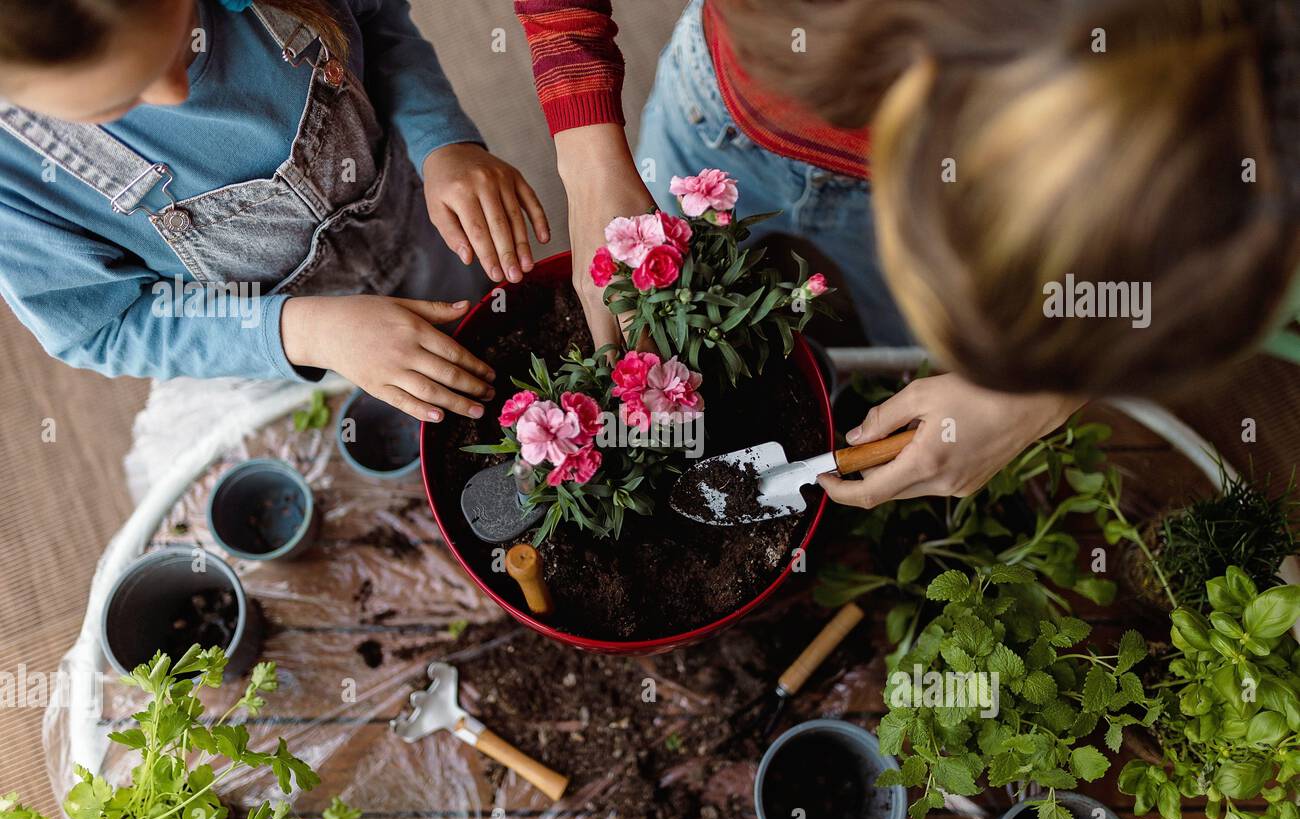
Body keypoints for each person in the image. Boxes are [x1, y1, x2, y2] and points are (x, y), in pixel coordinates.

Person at [514, 0, 1299, 507]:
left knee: (874, 350)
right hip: (723, 124)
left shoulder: (1248, 124)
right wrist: (589, 158)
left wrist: (1037, 393)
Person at [0, 0, 551, 423]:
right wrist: (308, 333)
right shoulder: (14, 176)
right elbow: (102, 326)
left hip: (418, 230)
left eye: (179, 38)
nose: (174, 92)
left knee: (485, 331)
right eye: (115, 103)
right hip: (270, 348)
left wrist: (442, 142)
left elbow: (378, 24)